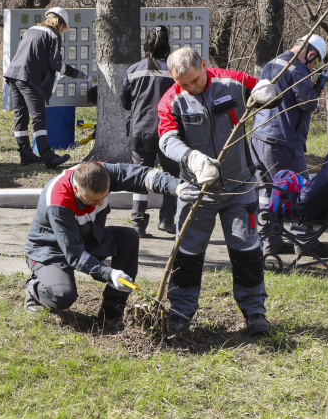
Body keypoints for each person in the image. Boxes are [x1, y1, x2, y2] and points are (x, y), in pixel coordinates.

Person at [157, 47, 279, 336]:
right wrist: (191, 158)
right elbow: (166, 140)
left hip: (240, 188)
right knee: (186, 253)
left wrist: (267, 92)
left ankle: (254, 313)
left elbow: (269, 92)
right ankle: (180, 312)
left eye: (193, 80)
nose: (188, 87)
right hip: (197, 192)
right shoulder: (171, 99)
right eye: (181, 83)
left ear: (204, 65)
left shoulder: (232, 82)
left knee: (247, 251)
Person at [24, 160, 198, 325]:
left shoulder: (102, 173)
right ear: (76, 189)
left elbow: (144, 176)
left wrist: (176, 186)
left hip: (89, 238)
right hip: (51, 250)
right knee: (62, 296)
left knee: (128, 237)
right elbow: (75, 254)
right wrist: (109, 273)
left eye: (104, 196)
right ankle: (35, 290)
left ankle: (112, 310)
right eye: (93, 200)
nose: (100, 203)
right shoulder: (59, 201)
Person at [251, 35, 328, 258]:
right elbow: (308, 105)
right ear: (310, 54)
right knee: (300, 188)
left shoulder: (272, 63)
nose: (313, 66)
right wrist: (318, 88)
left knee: (266, 190)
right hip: (283, 139)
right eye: (314, 62)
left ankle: (270, 241)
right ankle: (304, 241)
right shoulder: (298, 68)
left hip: (259, 135)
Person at [4, 7, 87, 168]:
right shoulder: (53, 35)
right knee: (39, 117)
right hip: (29, 78)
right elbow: (55, 63)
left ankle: (25, 153)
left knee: (20, 115)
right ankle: (47, 155)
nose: (63, 30)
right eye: (64, 27)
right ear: (60, 23)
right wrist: (75, 73)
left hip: (13, 75)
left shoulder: (30, 30)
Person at [120, 25, 178, 237]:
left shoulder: (134, 70)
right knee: (173, 174)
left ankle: (138, 223)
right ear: (167, 45)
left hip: (140, 132)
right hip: (168, 133)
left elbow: (125, 102)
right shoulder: (174, 71)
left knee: (140, 178)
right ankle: (167, 219)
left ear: (147, 44)